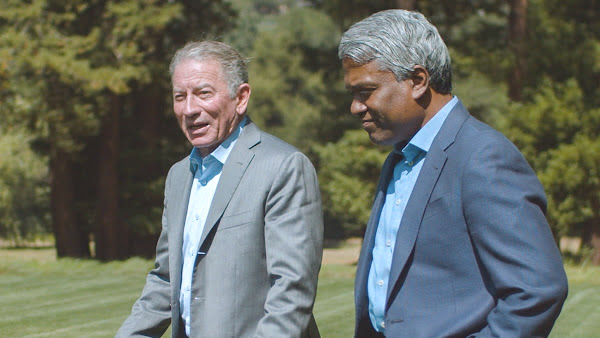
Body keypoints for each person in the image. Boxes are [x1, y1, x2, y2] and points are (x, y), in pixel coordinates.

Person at [338, 10, 568, 337]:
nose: (355, 107)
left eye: (365, 91)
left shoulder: (483, 157)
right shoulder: (402, 157)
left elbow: (537, 289)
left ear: (418, 81)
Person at [117, 41, 323, 338]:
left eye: (203, 93)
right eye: (180, 96)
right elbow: (166, 280)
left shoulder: (283, 166)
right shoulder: (178, 176)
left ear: (240, 98)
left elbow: (292, 291)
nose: (189, 109)